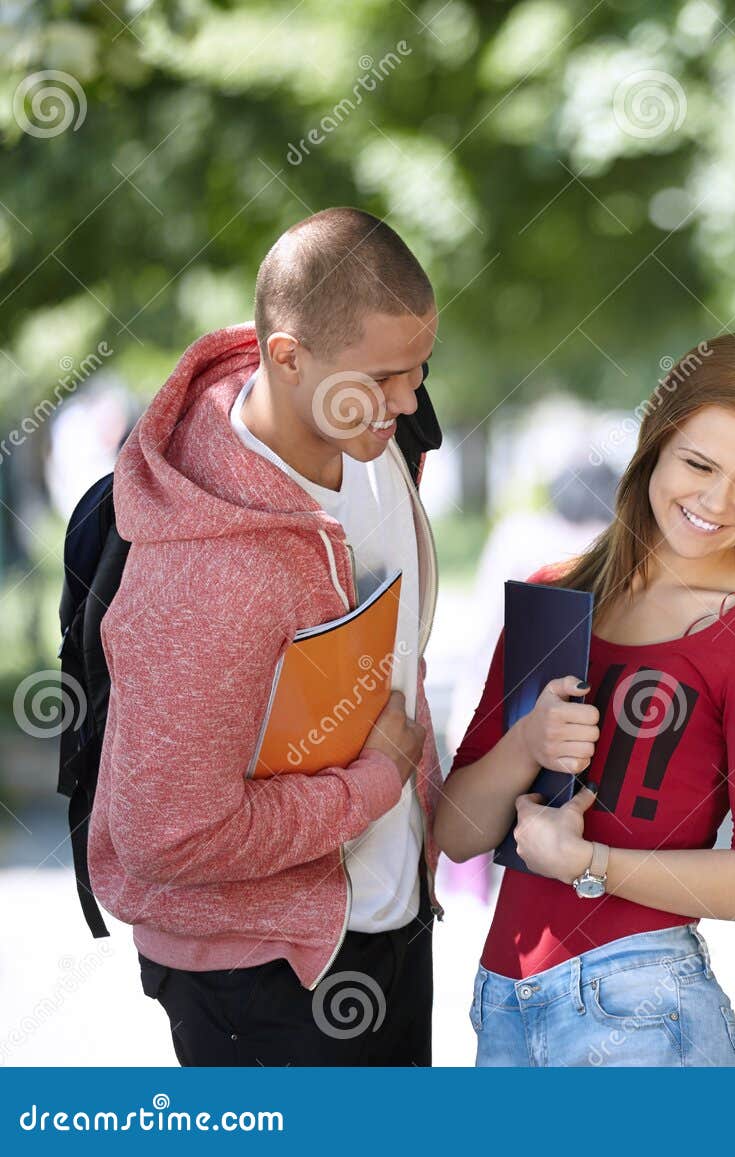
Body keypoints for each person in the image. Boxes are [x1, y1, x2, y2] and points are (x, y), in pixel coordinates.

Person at [89, 207, 445, 1065]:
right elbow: (166, 837)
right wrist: (375, 782)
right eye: (388, 376)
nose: (410, 401)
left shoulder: (370, 439)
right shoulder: (204, 571)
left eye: (420, 368)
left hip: (391, 934)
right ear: (287, 356)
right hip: (267, 980)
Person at [437, 333, 735, 1067]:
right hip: (503, 1003)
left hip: (643, 1009)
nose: (717, 503)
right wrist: (526, 745)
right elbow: (458, 830)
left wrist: (588, 860)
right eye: (699, 464)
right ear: (655, 442)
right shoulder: (556, 595)